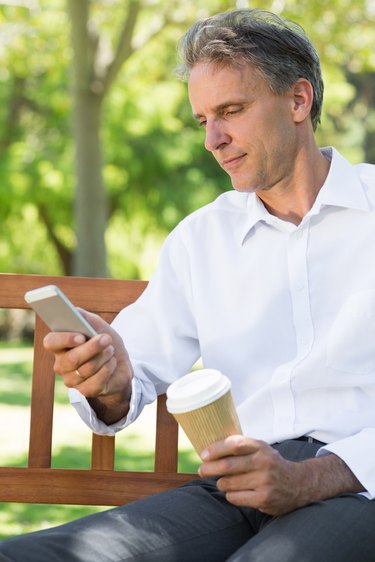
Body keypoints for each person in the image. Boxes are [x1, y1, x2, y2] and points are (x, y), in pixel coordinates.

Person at [1, 8, 375, 562]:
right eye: (203, 120)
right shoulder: (203, 238)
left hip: (359, 486)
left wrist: (313, 477)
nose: (213, 140)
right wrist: (107, 377)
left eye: (231, 111)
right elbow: (130, 378)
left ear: (299, 101)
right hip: (237, 488)